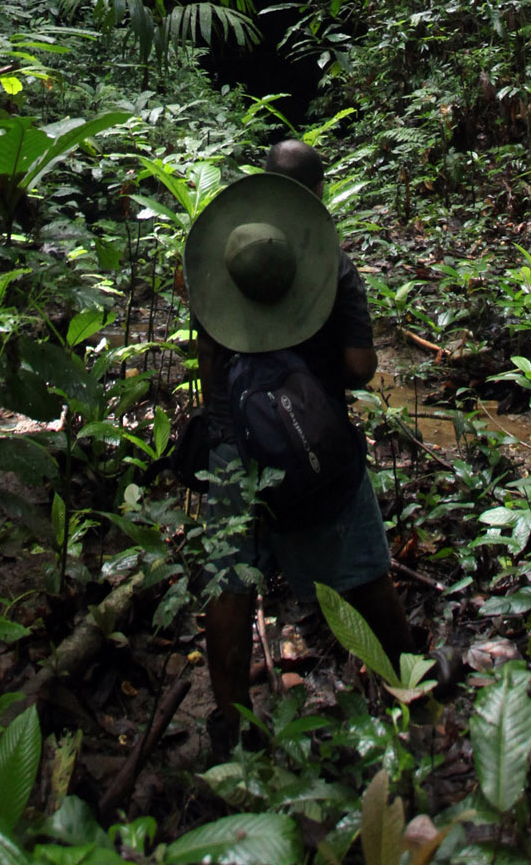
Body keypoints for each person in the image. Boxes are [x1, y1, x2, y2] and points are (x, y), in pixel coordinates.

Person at [183, 137, 413, 756]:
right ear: (317, 195)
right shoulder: (333, 265)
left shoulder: (217, 263)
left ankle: (229, 726)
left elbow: (209, 360)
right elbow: (362, 367)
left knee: (230, 584)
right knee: (364, 572)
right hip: (313, 443)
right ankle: (411, 695)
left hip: (234, 444)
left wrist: (227, 424)